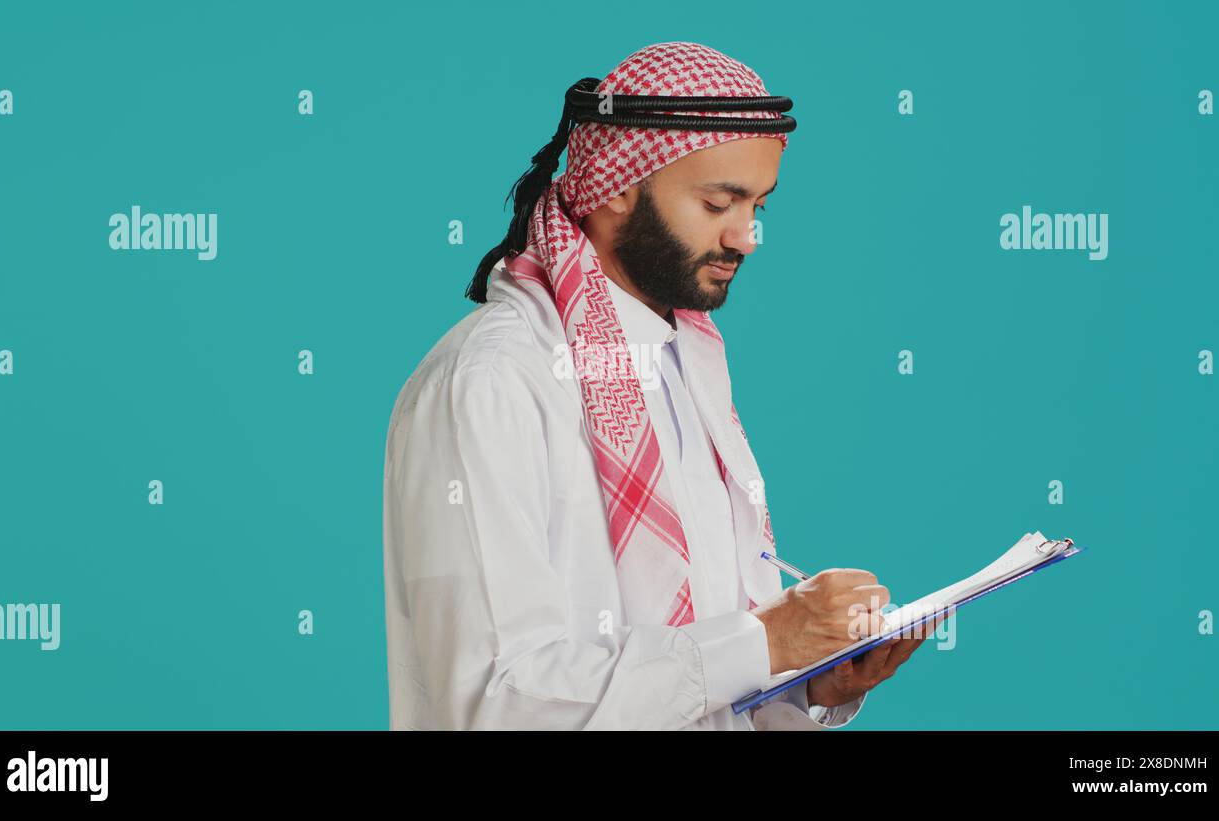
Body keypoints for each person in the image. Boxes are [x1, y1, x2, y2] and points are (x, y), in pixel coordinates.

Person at [382, 41, 926, 730]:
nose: (746, 236)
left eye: (758, 204)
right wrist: (766, 640)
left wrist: (801, 680)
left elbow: (700, 676)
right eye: (718, 203)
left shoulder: (684, 366)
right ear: (615, 187)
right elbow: (498, 703)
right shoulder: (490, 382)